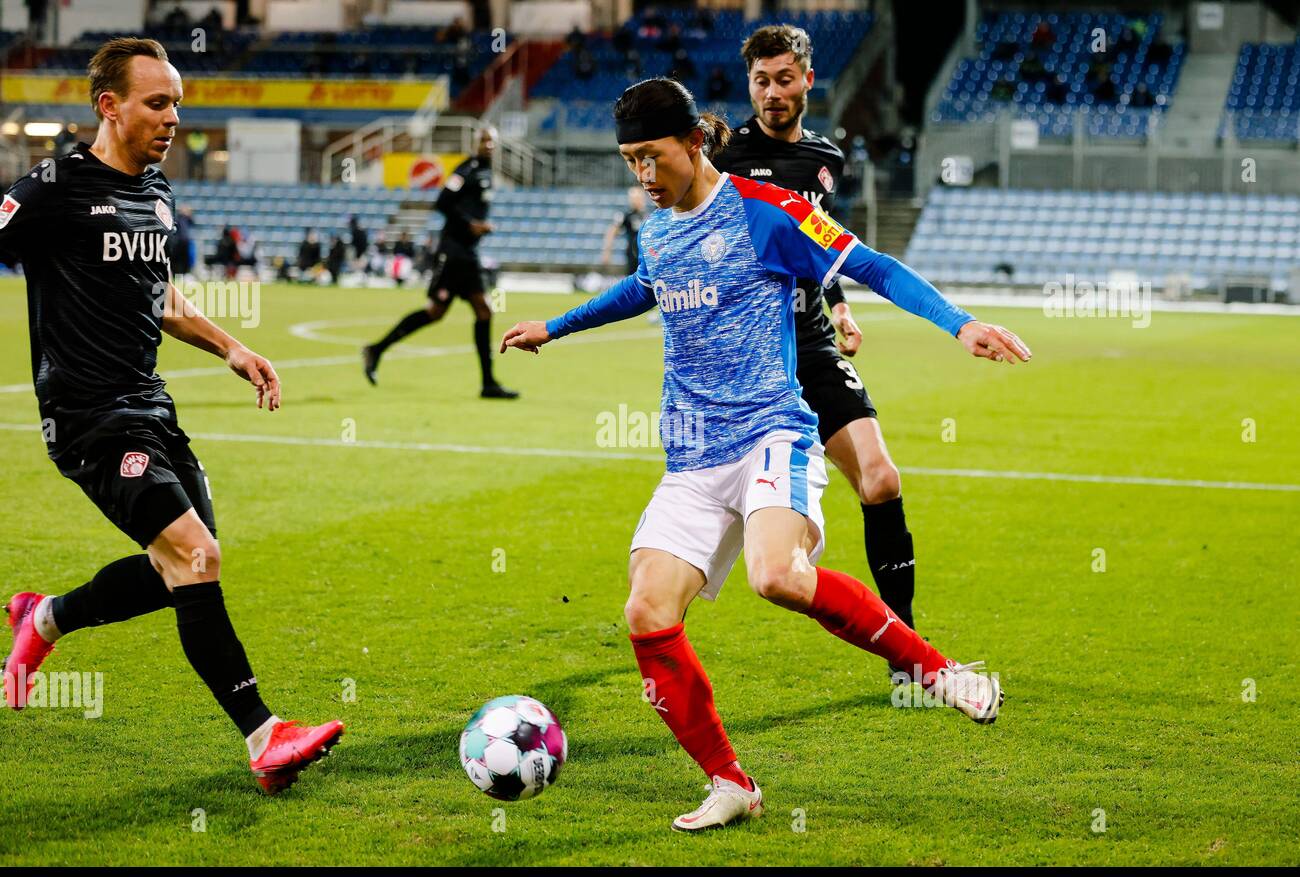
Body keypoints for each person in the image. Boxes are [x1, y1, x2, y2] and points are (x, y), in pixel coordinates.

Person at [500, 78, 1030, 831]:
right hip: (690, 453)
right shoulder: (658, 229)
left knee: (777, 576)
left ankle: (935, 671)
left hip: (770, 433)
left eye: (652, 157)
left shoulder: (768, 212)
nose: (644, 177)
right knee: (647, 614)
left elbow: (871, 265)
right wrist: (555, 326)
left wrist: (959, 323)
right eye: (629, 162)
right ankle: (731, 783)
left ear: (693, 140)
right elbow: (643, 289)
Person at [0, 37, 342, 792]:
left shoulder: (155, 193)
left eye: (178, 102)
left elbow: (161, 298)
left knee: (179, 571)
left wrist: (231, 347)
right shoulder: (52, 188)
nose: (174, 117)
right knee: (197, 559)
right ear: (108, 105)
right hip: (88, 418)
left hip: (152, 407)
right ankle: (264, 737)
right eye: (158, 102)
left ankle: (45, 618)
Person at [713, 25, 924, 683]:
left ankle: (904, 647)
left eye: (783, 79)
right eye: (760, 81)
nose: (772, 93)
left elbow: (819, 247)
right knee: (721, 524)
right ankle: (663, 618)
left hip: (809, 341)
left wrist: (839, 305)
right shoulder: (722, 156)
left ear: (806, 79)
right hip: (745, 360)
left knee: (882, 480)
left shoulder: (826, 160)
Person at [363, 125, 517, 399]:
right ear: (474, 143)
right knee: (443, 312)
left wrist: (478, 227)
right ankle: (376, 349)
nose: (488, 146)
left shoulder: (485, 172)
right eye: (484, 141)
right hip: (453, 251)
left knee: (479, 311)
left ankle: (488, 383)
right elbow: (442, 203)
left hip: (468, 254)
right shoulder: (465, 170)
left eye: (492, 142)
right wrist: (471, 225)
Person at [601, 186, 647, 275]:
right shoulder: (625, 215)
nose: (636, 200)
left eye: (638, 197)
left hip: (647, 253)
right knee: (633, 278)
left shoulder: (649, 214)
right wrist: (607, 251)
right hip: (632, 253)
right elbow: (611, 232)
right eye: (633, 198)